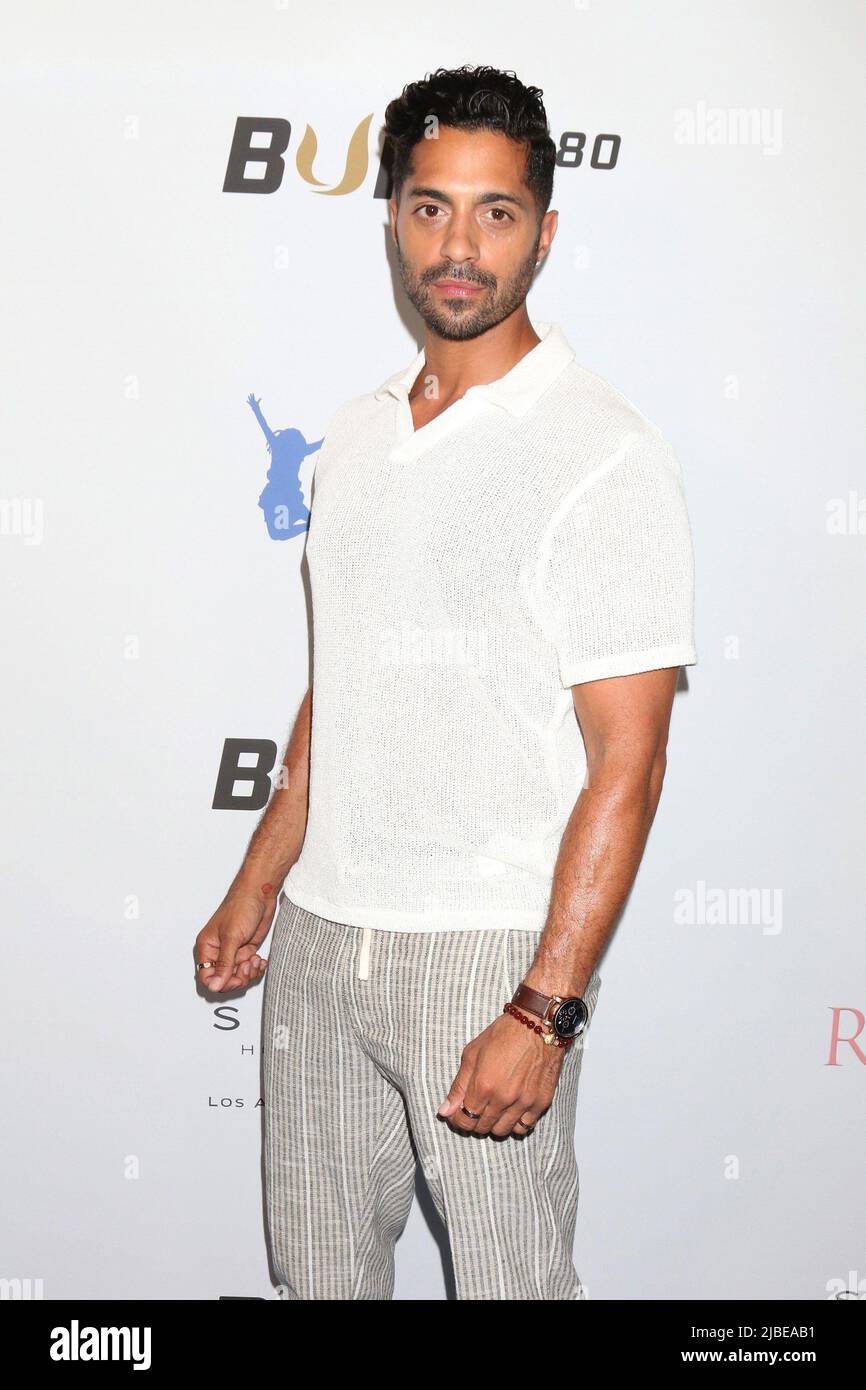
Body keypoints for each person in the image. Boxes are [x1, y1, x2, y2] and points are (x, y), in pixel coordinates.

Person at [195, 64, 698, 1301]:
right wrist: (256, 886)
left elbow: (626, 767)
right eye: (430, 209)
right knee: (318, 1280)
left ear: (544, 230)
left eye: (494, 212)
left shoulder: (602, 453)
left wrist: (544, 1009)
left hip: (485, 954)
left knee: (515, 1286)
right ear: (389, 220)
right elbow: (339, 689)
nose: (458, 246)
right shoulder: (354, 433)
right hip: (317, 941)